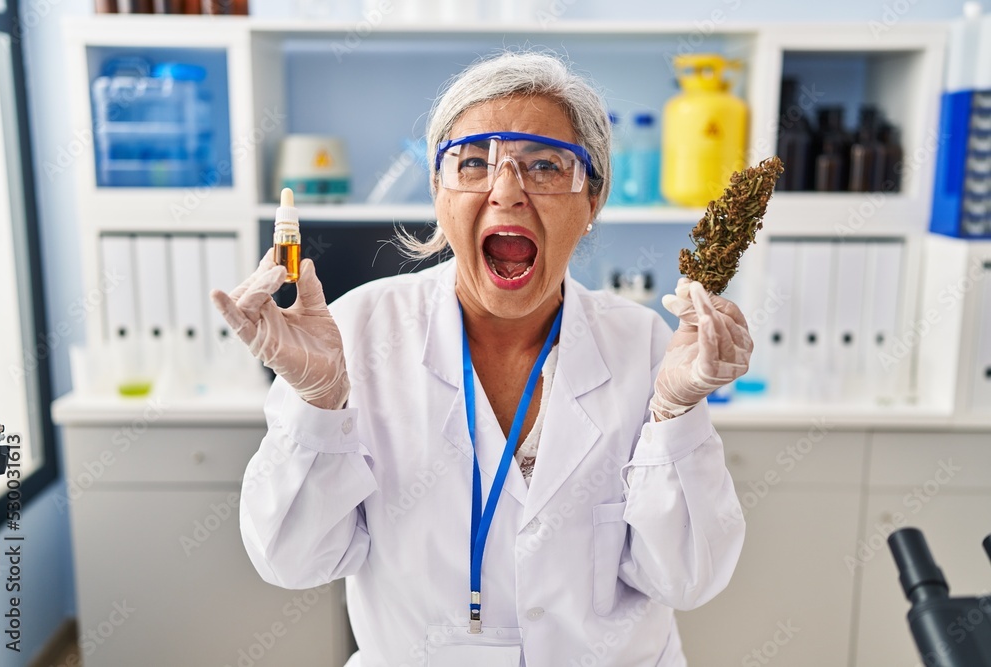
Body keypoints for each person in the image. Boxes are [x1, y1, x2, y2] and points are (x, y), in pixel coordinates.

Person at [211, 50, 751, 667]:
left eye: (545, 166)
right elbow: (291, 560)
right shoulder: (357, 333)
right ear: (440, 194)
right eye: (472, 164)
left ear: (592, 202)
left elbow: (686, 579)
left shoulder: (647, 349)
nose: (507, 192)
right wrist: (318, 402)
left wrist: (675, 413)